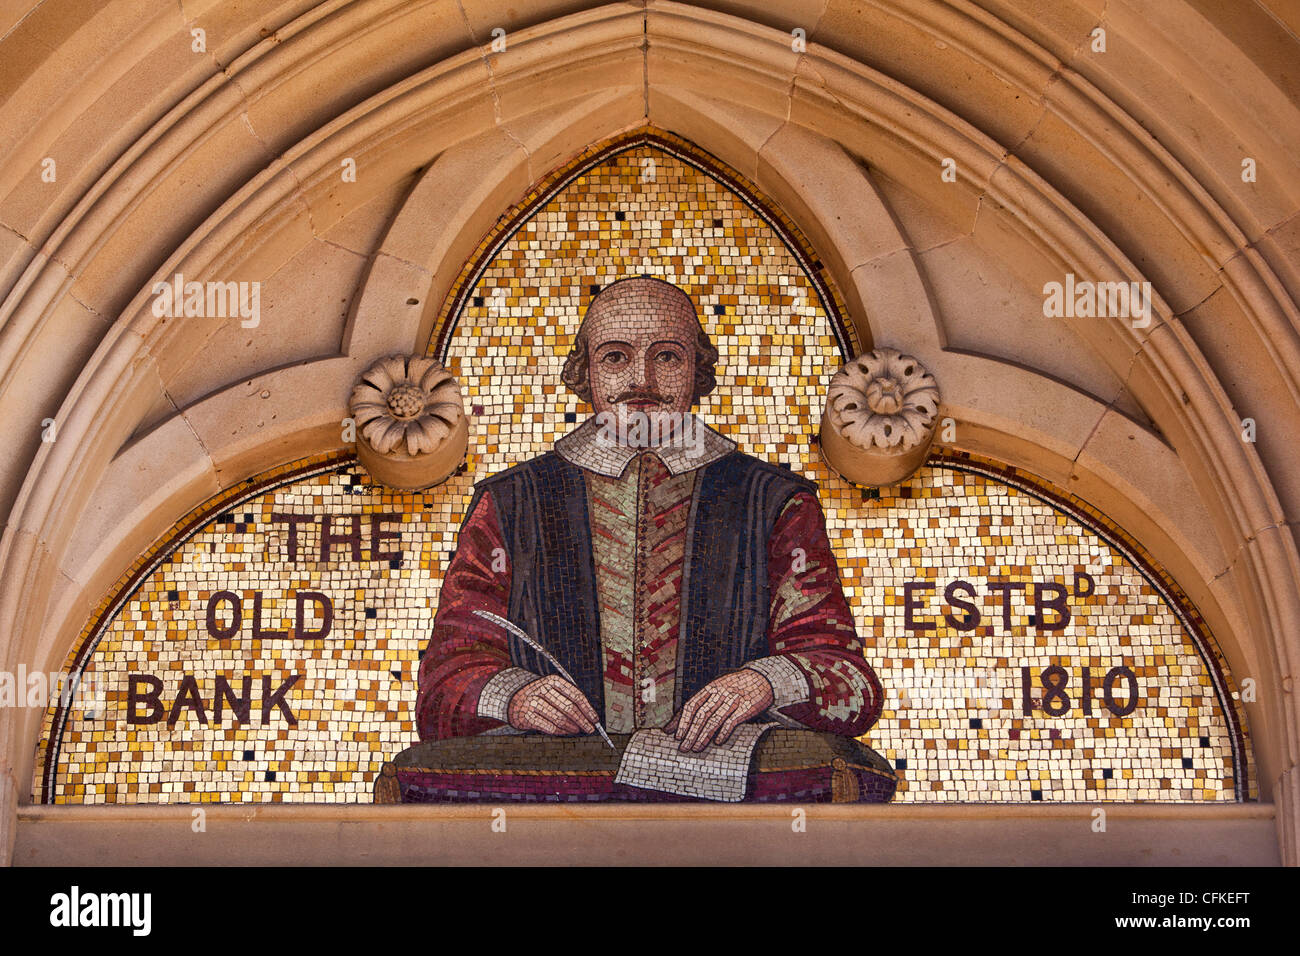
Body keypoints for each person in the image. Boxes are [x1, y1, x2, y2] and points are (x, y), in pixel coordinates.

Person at [416, 276, 882, 754]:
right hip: (555, 789)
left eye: (667, 356)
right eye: (616, 356)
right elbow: (445, 681)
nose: (642, 379)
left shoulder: (774, 501)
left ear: (696, 371)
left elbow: (850, 682)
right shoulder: (512, 502)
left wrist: (762, 683)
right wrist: (515, 697)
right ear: (587, 372)